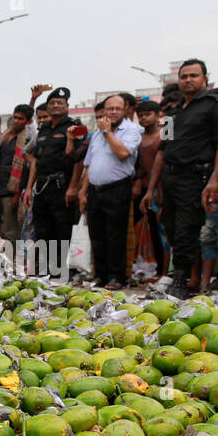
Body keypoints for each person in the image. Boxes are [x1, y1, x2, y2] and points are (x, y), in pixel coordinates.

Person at [143, 60, 218, 296]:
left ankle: (180, 281)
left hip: (196, 176)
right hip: (170, 178)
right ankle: (180, 277)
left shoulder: (212, 106)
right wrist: (152, 189)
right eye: (184, 76)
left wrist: (215, 180)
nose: (188, 80)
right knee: (172, 229)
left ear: (204, 78)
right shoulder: (172, 113)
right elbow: (162, 152)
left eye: (193, 75)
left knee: (187, 228)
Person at [77, 95, 141, 290]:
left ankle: (116, 277)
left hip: (117, 189)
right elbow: (88, 165)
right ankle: (100, 275)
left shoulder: (132, 131)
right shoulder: (97, 134)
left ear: (125, 110)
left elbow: (123, 153)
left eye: (117, 109)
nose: (113, 112)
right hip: (95, 191)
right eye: (109, 109)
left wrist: (107, 133)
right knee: (97, 235)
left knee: (115, 236)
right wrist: (83, 192)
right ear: (103, 111)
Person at [23, 87, 81, 276]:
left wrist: (73, 187)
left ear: (67, 106)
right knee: (42, 228)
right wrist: (29, 188)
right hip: (41, 186)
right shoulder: (43, 129)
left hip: (61, 185)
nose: (55, 105)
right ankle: (46, 268)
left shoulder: (75, 126)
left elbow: (78, 159)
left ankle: (62, 270)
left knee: (62, 228)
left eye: (60, 103)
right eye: (52, 103)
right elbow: (35, 161)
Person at [0, 105, 33, 246]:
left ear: (27, 121)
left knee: (9, 229)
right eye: (15, 117)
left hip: (11, 189)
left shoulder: (26, 138)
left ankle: (8, 262)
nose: (16, 121)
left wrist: (17, 195)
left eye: (21, 119)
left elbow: (25, 169)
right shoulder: (4, 135)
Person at [135, 100, 167, 276]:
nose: (143, 118)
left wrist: (161, 191)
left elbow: (165, 162)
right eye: (140, 115)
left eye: (148, 114)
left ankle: (165, 272)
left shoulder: (164, 134)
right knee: (151, 233)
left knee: (163, 234)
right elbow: (138, 165)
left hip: (160, 190)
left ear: (158, 115)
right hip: (144, 189)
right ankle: (154, 270)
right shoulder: (138, 137)